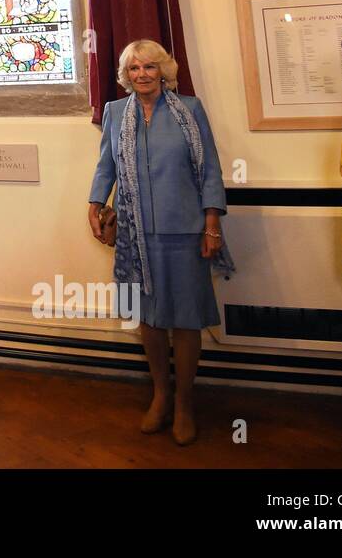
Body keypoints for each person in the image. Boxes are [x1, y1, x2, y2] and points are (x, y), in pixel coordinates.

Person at [88, 39, 232, 446]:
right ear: (126, 76)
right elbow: (106, 166)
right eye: (134, 69)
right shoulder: (116, 112)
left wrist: (211, 224)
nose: (142, 75)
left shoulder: (190, 109)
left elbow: (210, 171)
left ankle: (185, 403)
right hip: (135, 234)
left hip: (184, 231)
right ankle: (161, 395)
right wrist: (95, 203)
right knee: (148, 318)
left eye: (149, 67)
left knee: (185, 320)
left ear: (163, 71)